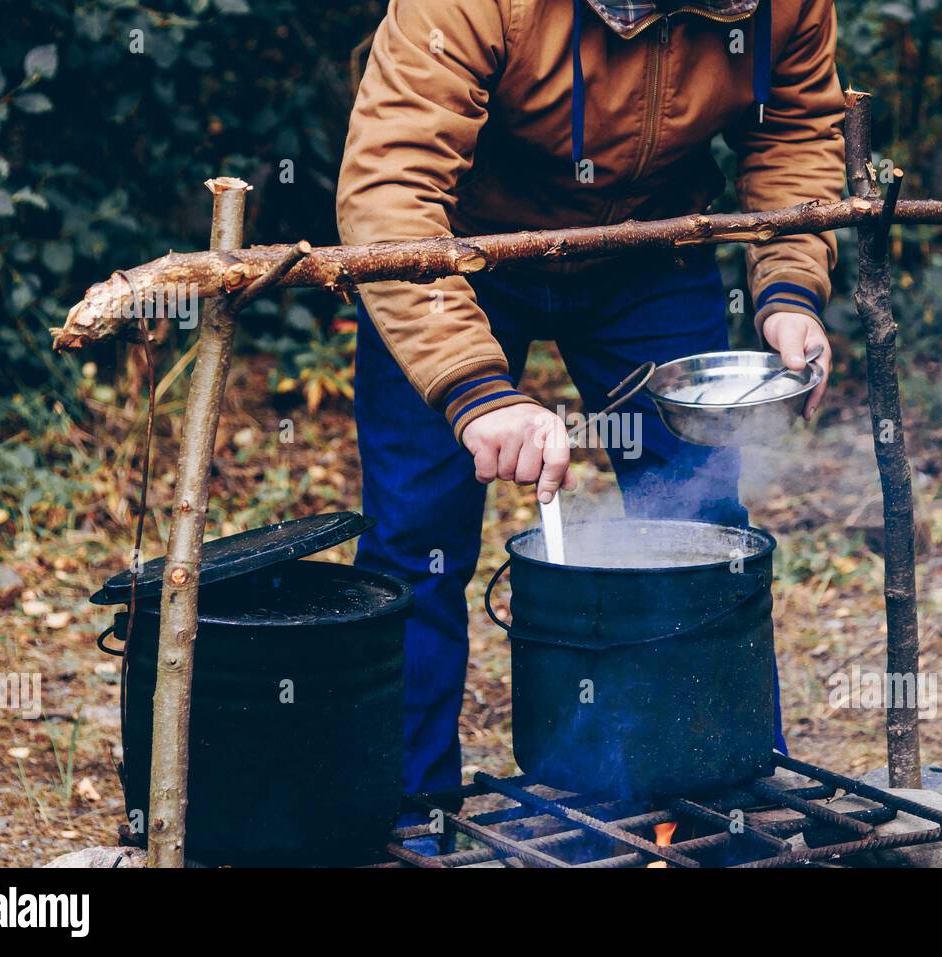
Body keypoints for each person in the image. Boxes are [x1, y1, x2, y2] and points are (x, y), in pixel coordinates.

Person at [336, 0, 845, 808]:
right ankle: (405, 809)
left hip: (650, 247)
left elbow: (794, 131)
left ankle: (720, 785)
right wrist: (474, 389)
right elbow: (390, 188)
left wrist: (788, 290)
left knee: (705, 531)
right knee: (415, 542)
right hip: (453, 252)